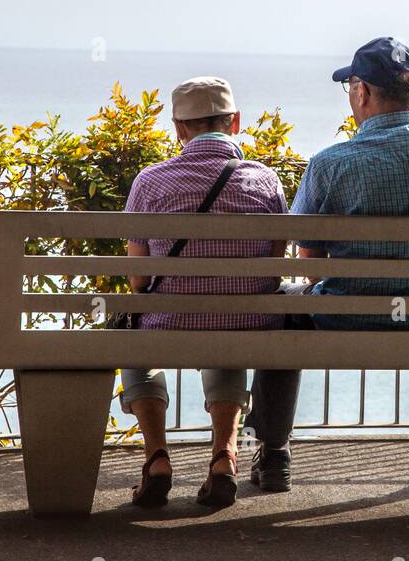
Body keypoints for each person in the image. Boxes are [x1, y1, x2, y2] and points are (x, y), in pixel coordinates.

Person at [291, 37, 409, 492]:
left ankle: (275, 454)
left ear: (362, 92)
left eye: (350, 88)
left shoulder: (329, 164)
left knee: (279, 310)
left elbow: (310, 261)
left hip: (346, 318)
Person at [121, 76, 300, 507]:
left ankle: (157, 459)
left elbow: (138, 279)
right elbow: (274, 273)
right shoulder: (266, 181)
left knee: (132, 338)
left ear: (179, 129)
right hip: (248, 322)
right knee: (229, 327)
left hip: (168, 322)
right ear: (235, 122)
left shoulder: (151, 181)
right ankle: (224, 455)